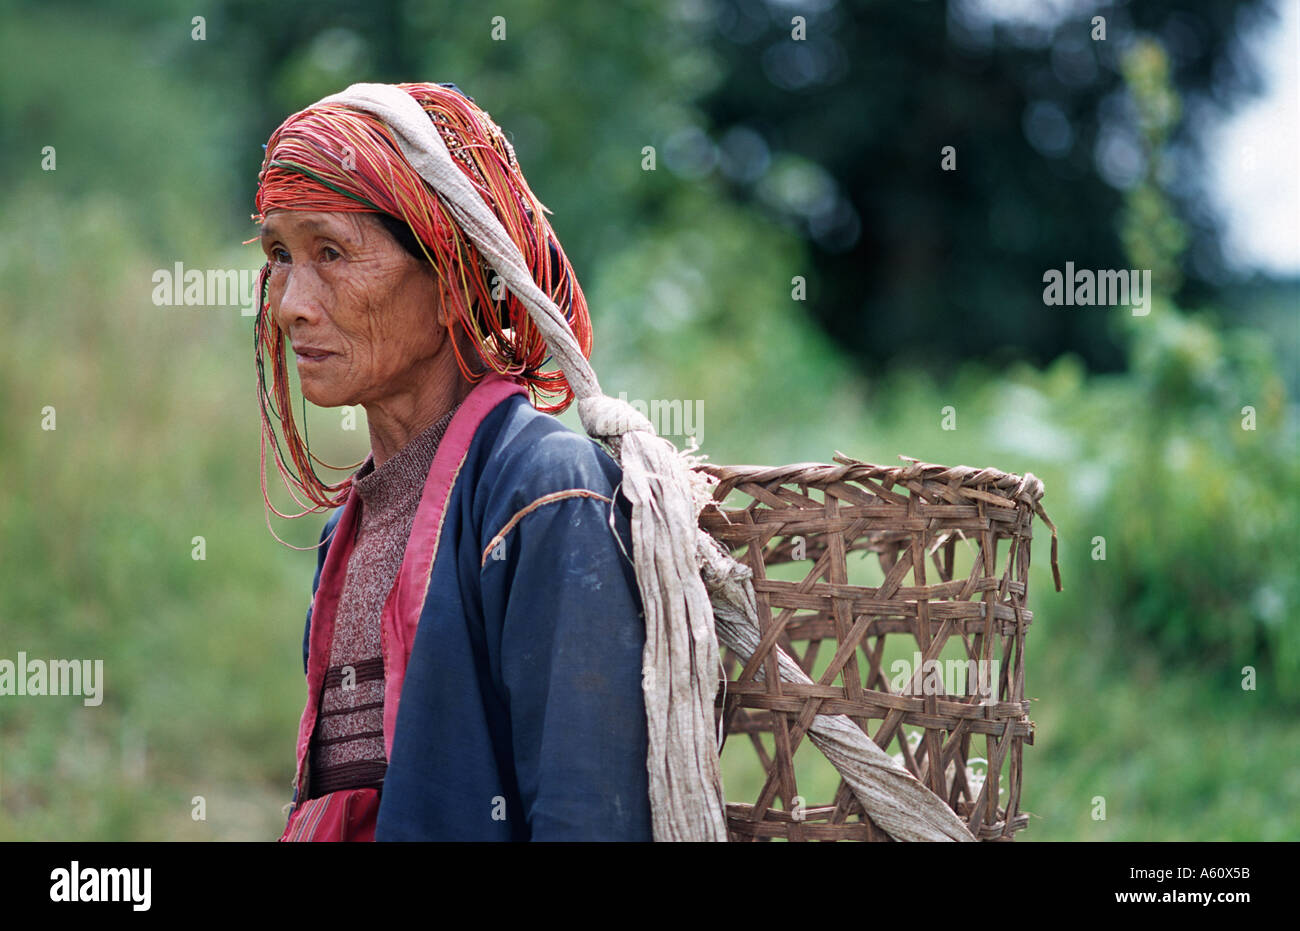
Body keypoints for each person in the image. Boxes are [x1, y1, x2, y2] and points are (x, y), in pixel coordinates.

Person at [253, 81, 654, 841]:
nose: (289, 304)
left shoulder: (549, 494)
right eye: (280, 255)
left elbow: (586, 817)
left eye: (330, 251)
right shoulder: (349, 527)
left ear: (451, 278)